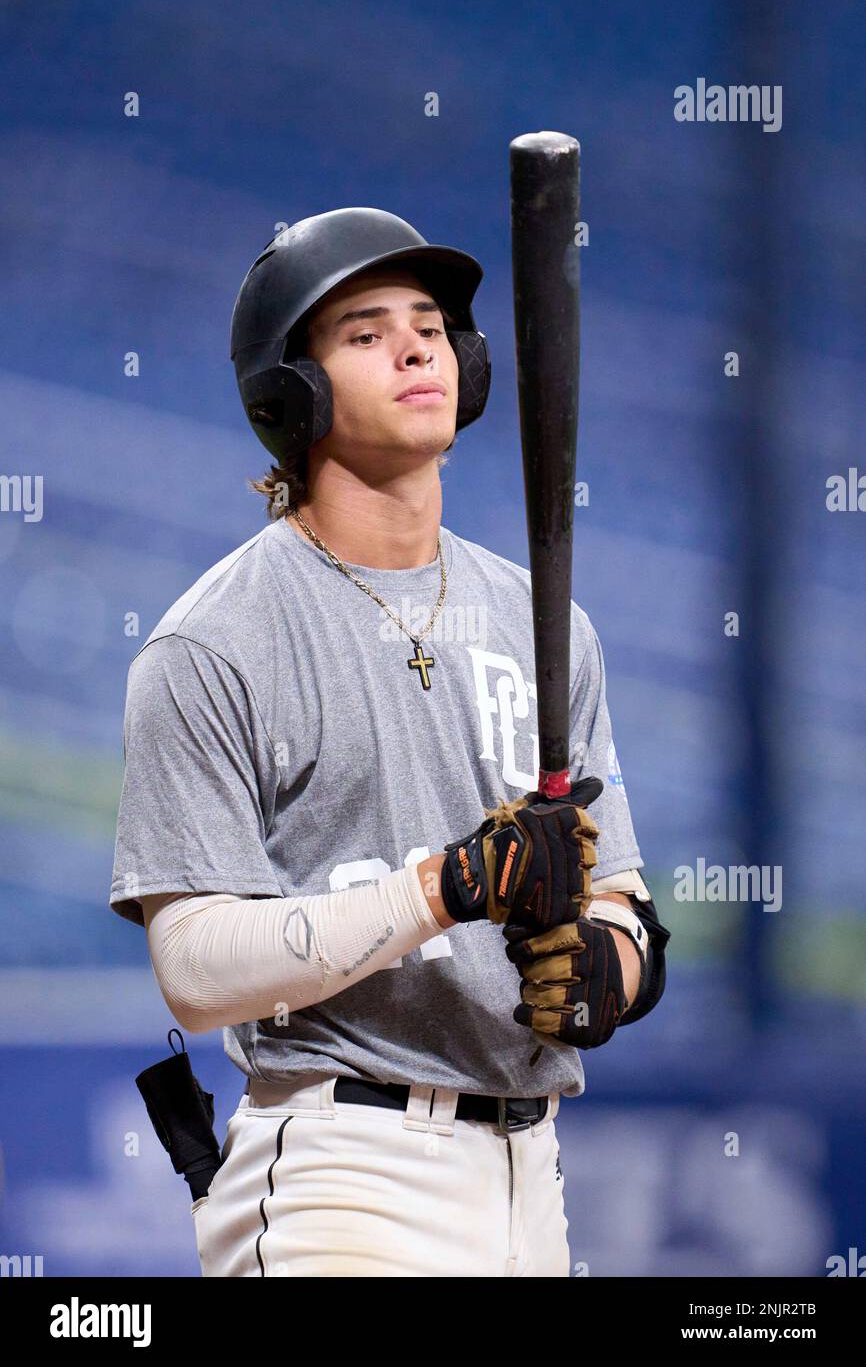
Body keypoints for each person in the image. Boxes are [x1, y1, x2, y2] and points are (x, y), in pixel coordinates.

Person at [109, 207, 670, 1278]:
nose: (416, 346)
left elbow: (618, 893)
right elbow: (193, 967)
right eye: (364, 332)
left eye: (429, 325)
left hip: (531, 1175)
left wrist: (612, 965)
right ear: (293, 394)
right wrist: (444, 887)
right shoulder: (215, 639)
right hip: (342, 1170)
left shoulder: (542, 620)